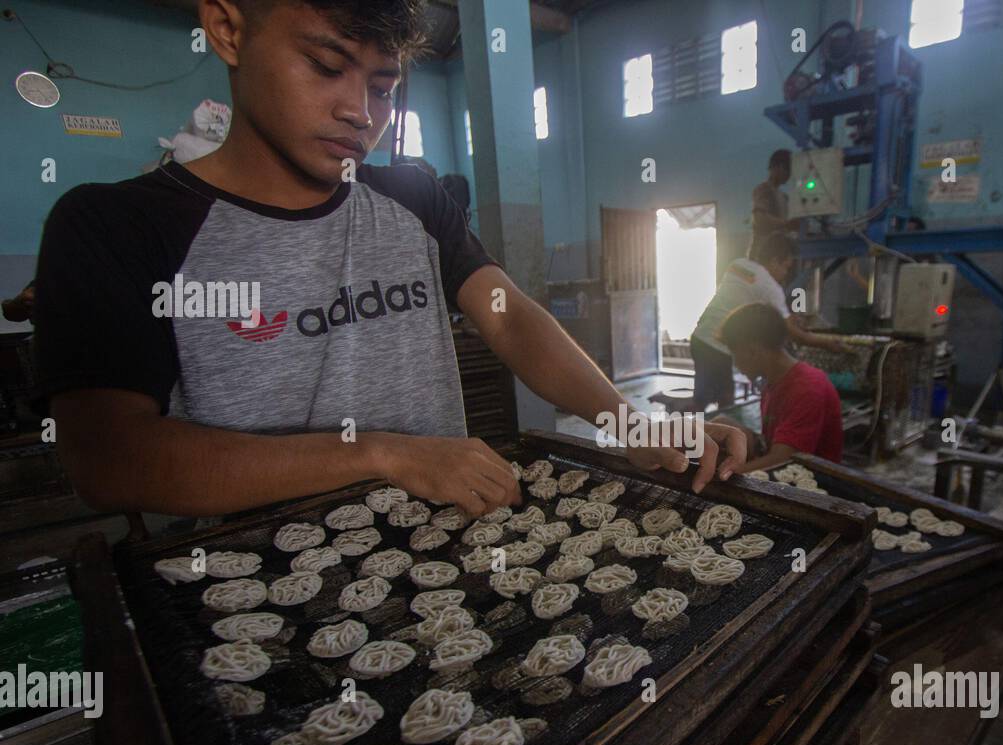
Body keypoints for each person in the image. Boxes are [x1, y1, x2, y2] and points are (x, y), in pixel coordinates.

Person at [32, 0, 743, 520]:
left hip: (451, 550)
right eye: (324, 66)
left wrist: (630, 421)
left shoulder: (412, 197)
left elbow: (509, 318)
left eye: (381, 87)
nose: (357, 112)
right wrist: (382, 453)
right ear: (226, 26)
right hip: (259, 593)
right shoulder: (119, 225)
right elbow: (109, 458)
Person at [690, 234, 850, 409]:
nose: (785, 274)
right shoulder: (770, 287)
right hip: (718, 345)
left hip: (699, 338)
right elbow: (794, 335)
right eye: (786, 268)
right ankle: (704, 431)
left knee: (702, 398)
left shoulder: (737, 265)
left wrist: (787, 316)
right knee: (724, 399)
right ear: (774, 261)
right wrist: (827, 343)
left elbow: (746, 299)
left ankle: (689, 428)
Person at [716, 302, 843, 470]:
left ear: (753, 351)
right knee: (722, 424)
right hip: (781, 462)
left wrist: (720, 475)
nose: (736, 364)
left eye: (735, 354)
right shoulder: (774, 381)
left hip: (812, 483)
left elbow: (782, 461)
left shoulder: (807, 389)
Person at [749, 149, 796, 258]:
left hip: (775, 255)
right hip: (762, 256)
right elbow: (760, 219)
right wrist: (787, 224)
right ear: (778, 167)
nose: (789, 175)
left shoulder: (784, 197)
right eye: (788, 170)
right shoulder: (763, 190)